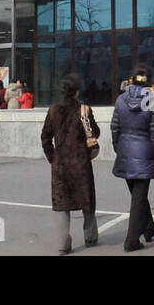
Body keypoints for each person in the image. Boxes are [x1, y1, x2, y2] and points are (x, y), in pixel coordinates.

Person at [41, 75, 99, 254]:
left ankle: (63, 244)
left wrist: (53, 157)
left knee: (62, 205)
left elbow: (45, 138)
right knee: (87, 201)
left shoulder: (53, 111)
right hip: (81, 162)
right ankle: (90, 237)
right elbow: (95, 132)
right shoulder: (84, 110)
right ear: (77, 92)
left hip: (60, 165)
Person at [111, 66, 154, 251]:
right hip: (144, 150)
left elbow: (115, 127)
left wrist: (119, 148)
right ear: (148, 81)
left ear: (131, 79)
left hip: (125, 149)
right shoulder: (151, 99)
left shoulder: (121, 99)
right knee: (139, 197)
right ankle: (131, 240)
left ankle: (149, 228)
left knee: (138, 195)